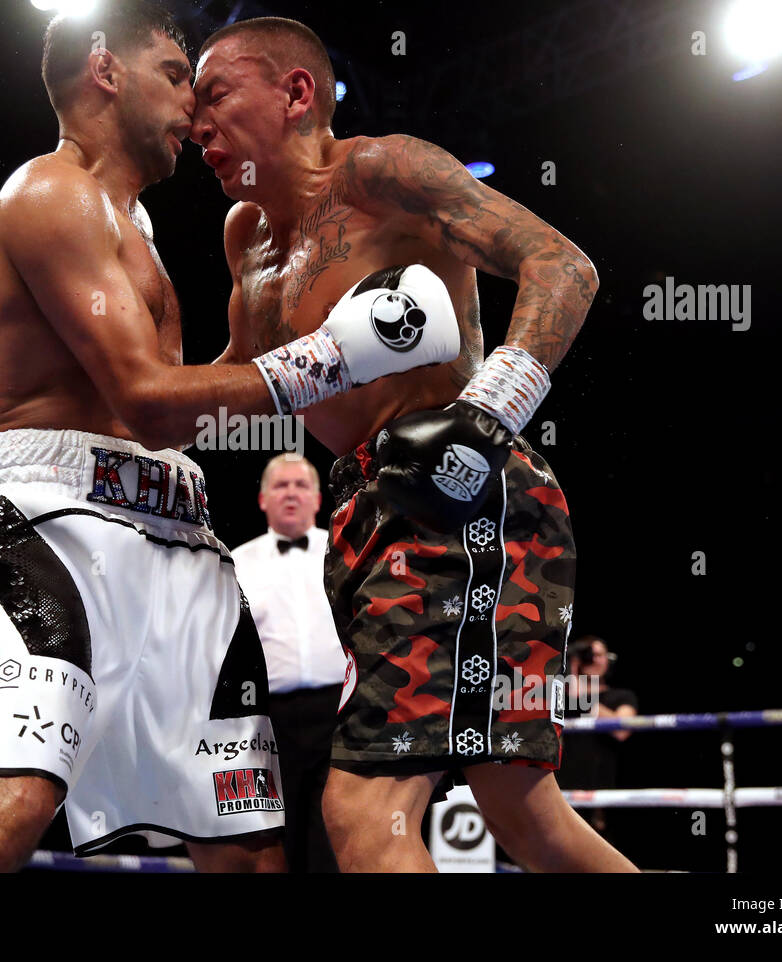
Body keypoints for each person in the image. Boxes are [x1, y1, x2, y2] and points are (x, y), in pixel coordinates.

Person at [0, 2, 461, 872]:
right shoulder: (48, 195)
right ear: (105, 70)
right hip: (57, 536)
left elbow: (195, 396)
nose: (196, 110)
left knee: (251, 853)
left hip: (183, 551)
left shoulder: (136, 228)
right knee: (7, 812)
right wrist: (335, 354)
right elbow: (148, 401)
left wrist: (317, 353)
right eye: (178, 78)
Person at [191, 16, 638, 872]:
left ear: (296, 93)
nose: (196, 124)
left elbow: (562, 266)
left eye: (215, 95)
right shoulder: (244, 239)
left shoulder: (380, 171)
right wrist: (122, 422)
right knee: (519, 805)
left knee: (364, 812)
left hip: (461, 488)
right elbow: (235, 385)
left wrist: (484, 417)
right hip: (364, 509)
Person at [232, 453, 347, 872]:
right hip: (266, 717)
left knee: (333, 822)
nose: (291, 493)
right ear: (263, 499)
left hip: (338, 710)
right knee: (272, 828)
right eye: (281, 485)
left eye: (301, 485)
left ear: (318, 498)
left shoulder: (344, 552)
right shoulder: (236, 562)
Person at [558, 635, 639, 838]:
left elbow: (622, 731)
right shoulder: (560, 699)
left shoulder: (621, 696)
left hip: (605, 791)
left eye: (600, 655)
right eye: (589, 655)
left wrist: (584, 696)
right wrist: (572, 669)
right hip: (563, 790)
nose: (595, 660)